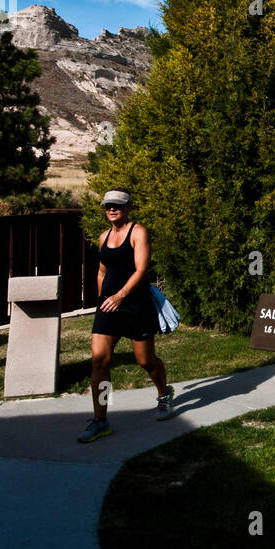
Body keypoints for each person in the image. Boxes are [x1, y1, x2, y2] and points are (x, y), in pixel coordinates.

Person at [77, 189, 174, 442]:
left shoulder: (138, 233)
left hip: (135, 306)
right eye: (108, 205)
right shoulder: (103, 237)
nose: (112, 209)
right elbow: (101, 271)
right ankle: (101, 420)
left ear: (129, 207)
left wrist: (120, 296)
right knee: (99, 361)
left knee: (145, 360)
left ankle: (164, 394)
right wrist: (102, 301)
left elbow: (142, 269)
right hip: (108, 307)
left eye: (117, 205)